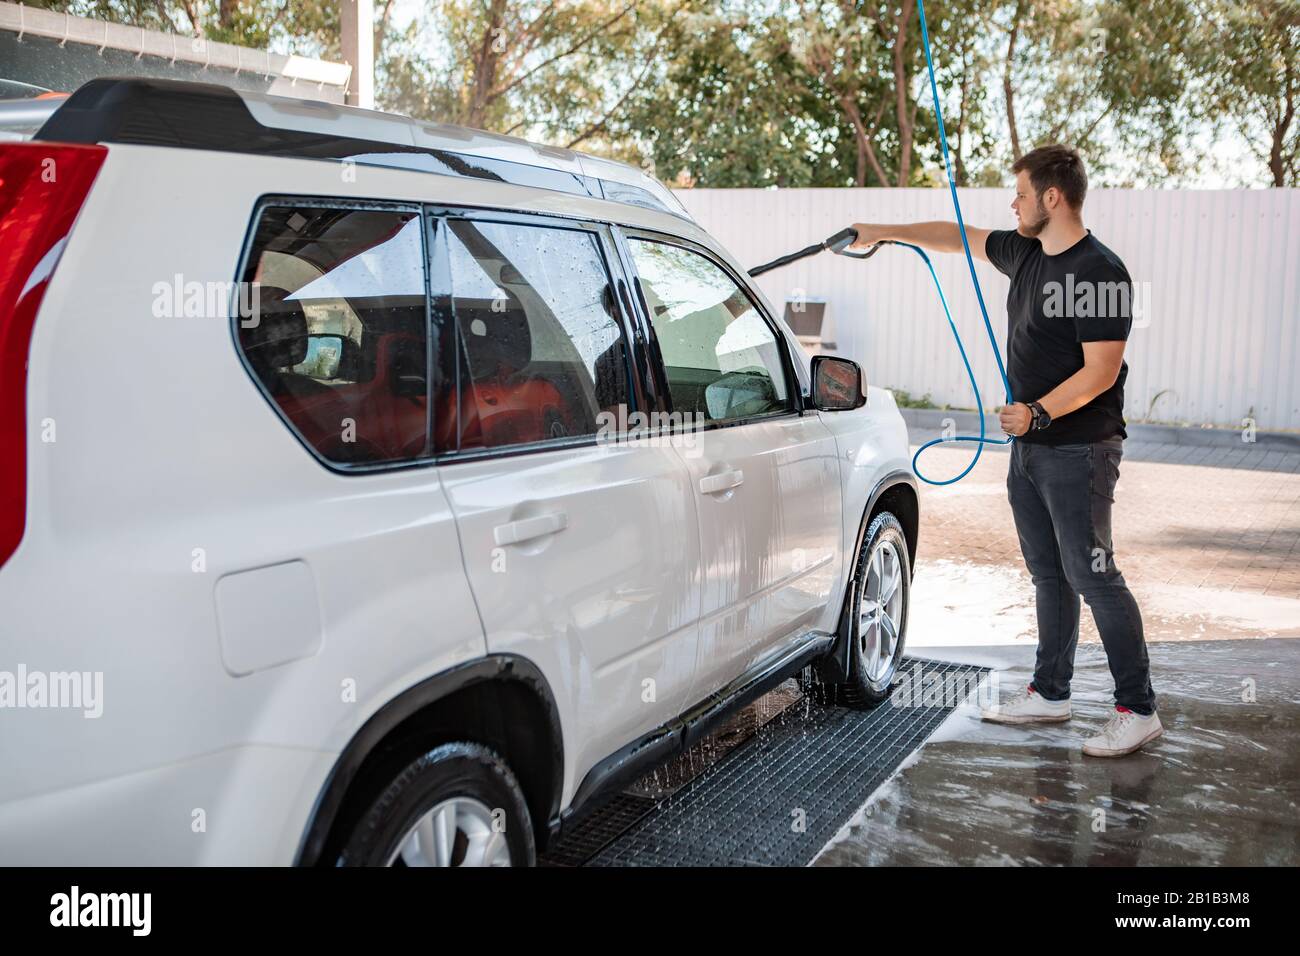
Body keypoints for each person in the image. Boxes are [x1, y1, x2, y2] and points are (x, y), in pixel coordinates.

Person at [850, 143, 1160, 757]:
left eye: (1020, 193)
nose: (1012, 203)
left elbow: (1101, 371)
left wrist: (1039, 412)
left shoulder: (1100, 271)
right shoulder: (1024, 251)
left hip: (1081, 449)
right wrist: (881, 232)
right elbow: (956, 234)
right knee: (1049, 574)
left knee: (1093, 575)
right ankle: (1051, 693)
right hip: (1031, 449)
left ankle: (1139, 707)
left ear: (1052, 197)